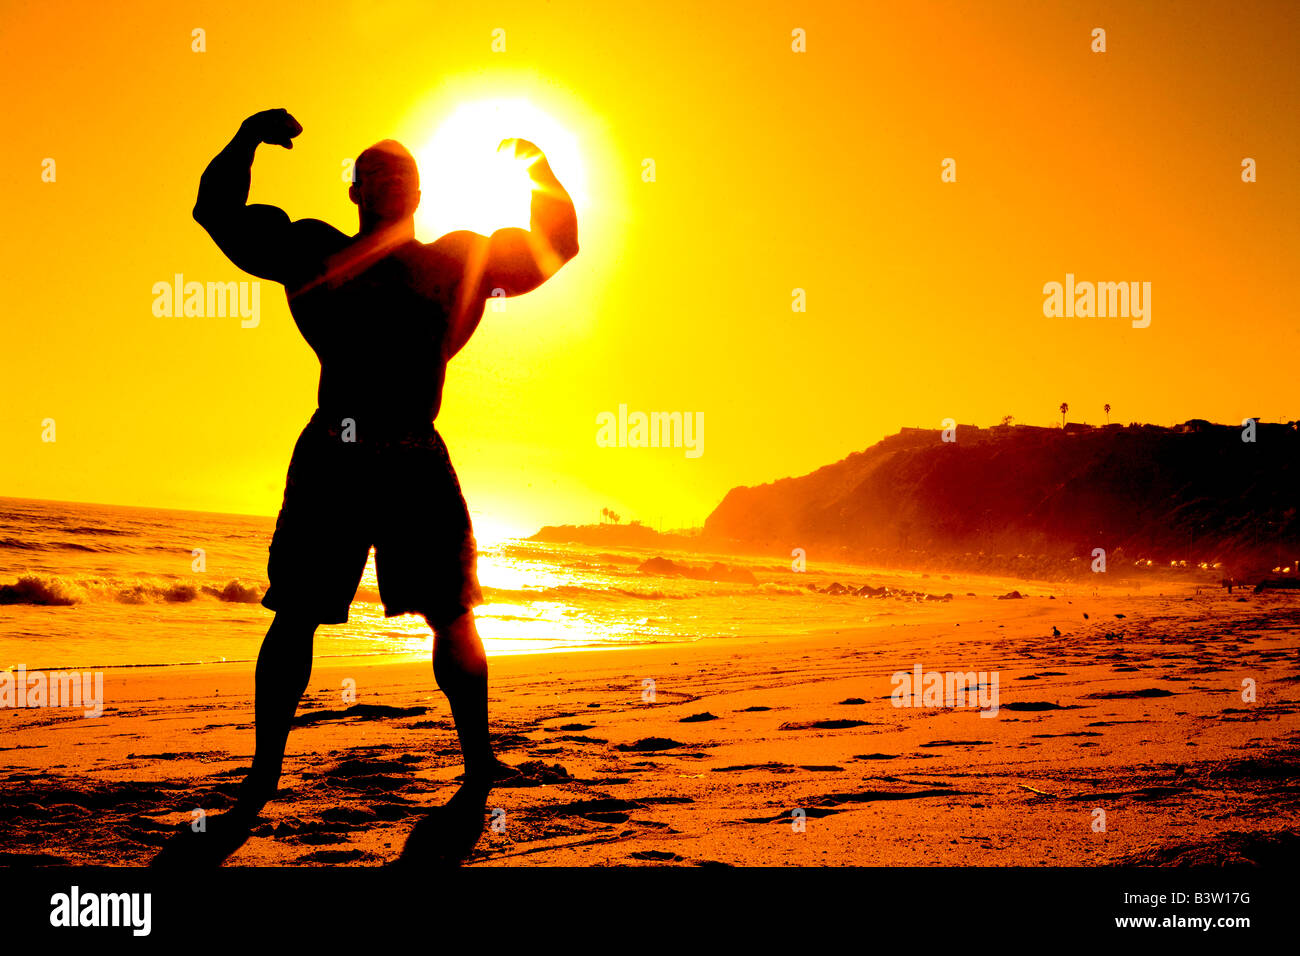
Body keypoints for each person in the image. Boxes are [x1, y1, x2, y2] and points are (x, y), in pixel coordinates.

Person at [192, 107, 579, 821]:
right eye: (375, 175)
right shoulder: (314, 252)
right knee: (295, 615)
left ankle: (479, 760)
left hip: (414, 451)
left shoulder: (457, 262)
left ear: (421, 192)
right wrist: (244, 137)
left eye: (401, 175)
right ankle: (263, 773)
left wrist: (540, 173)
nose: (390, 185)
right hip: (334, 451)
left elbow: (556, 248)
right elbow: (216, 213)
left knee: (453, 615)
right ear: (354, 190)